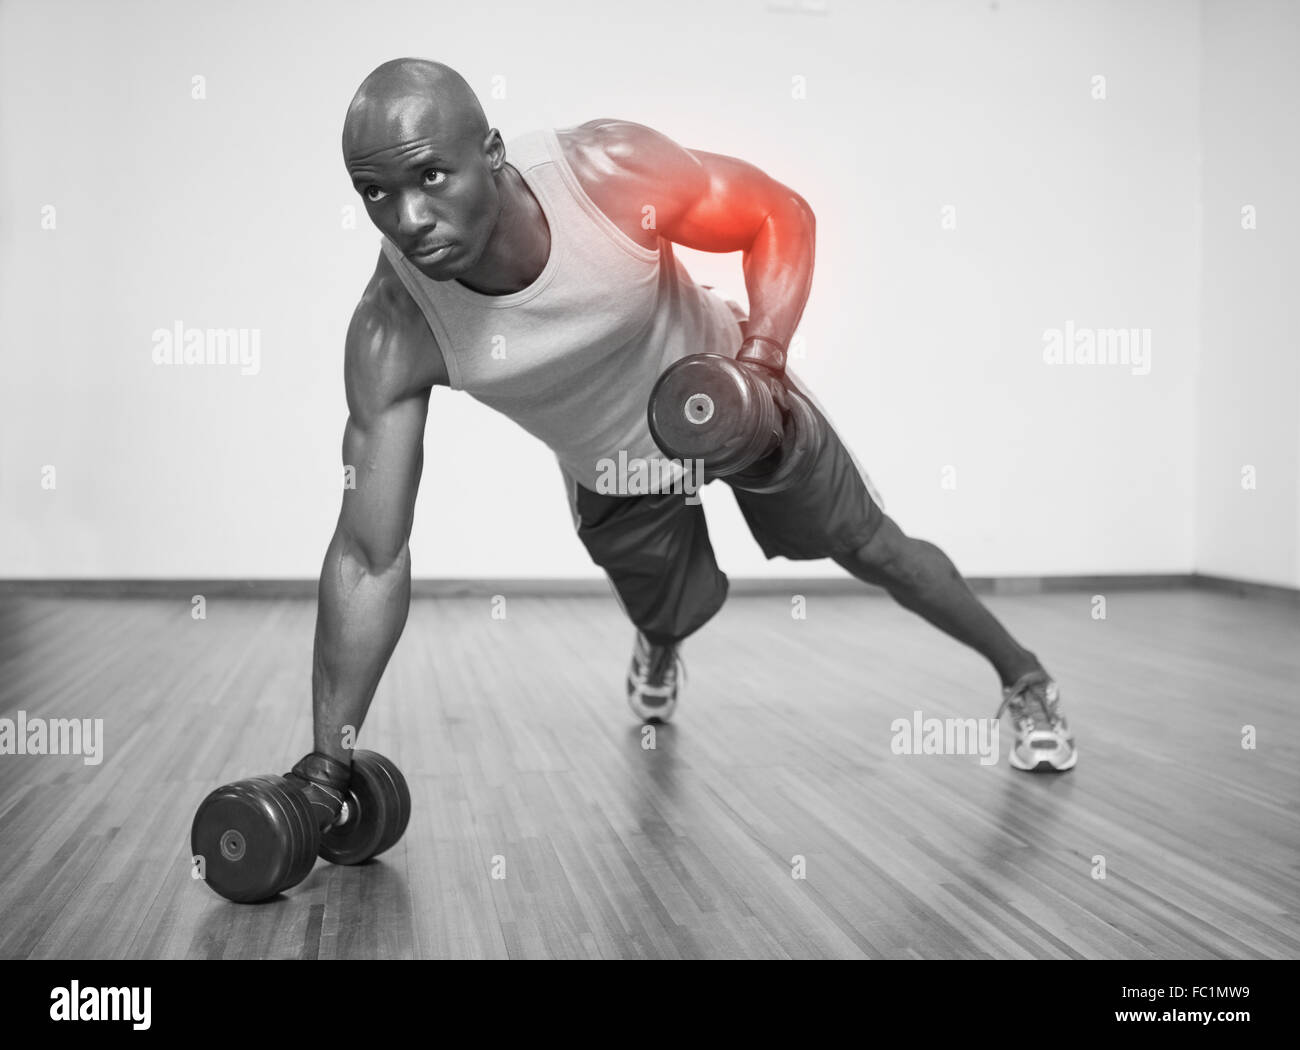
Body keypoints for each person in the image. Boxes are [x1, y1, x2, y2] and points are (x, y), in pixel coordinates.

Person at [285, 57, 1077, 817]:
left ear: (490, 153)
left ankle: (1024, 677)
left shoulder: (606, 174)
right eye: (375, 193)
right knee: (668, 612)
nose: (409, 218)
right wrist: (329, 763)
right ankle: (661, 640)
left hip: (736, 405)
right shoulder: (397, 327)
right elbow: (368, 555)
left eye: (429, 176)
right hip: (614, 468)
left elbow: (780, 213)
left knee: (877, 548)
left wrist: (763, 364)